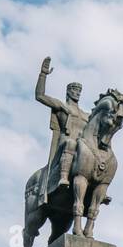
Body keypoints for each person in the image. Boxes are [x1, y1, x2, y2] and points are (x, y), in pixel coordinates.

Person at [34, 56, 88, 196]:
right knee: (70, 143)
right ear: (68, 92)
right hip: (65, 142)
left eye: (79, 91)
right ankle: (63, 177)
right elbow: (40, 96)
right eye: (74, 90)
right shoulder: (62, 106)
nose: (77, 93)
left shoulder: (85, 115)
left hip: (82, 145)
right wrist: (43, 75)